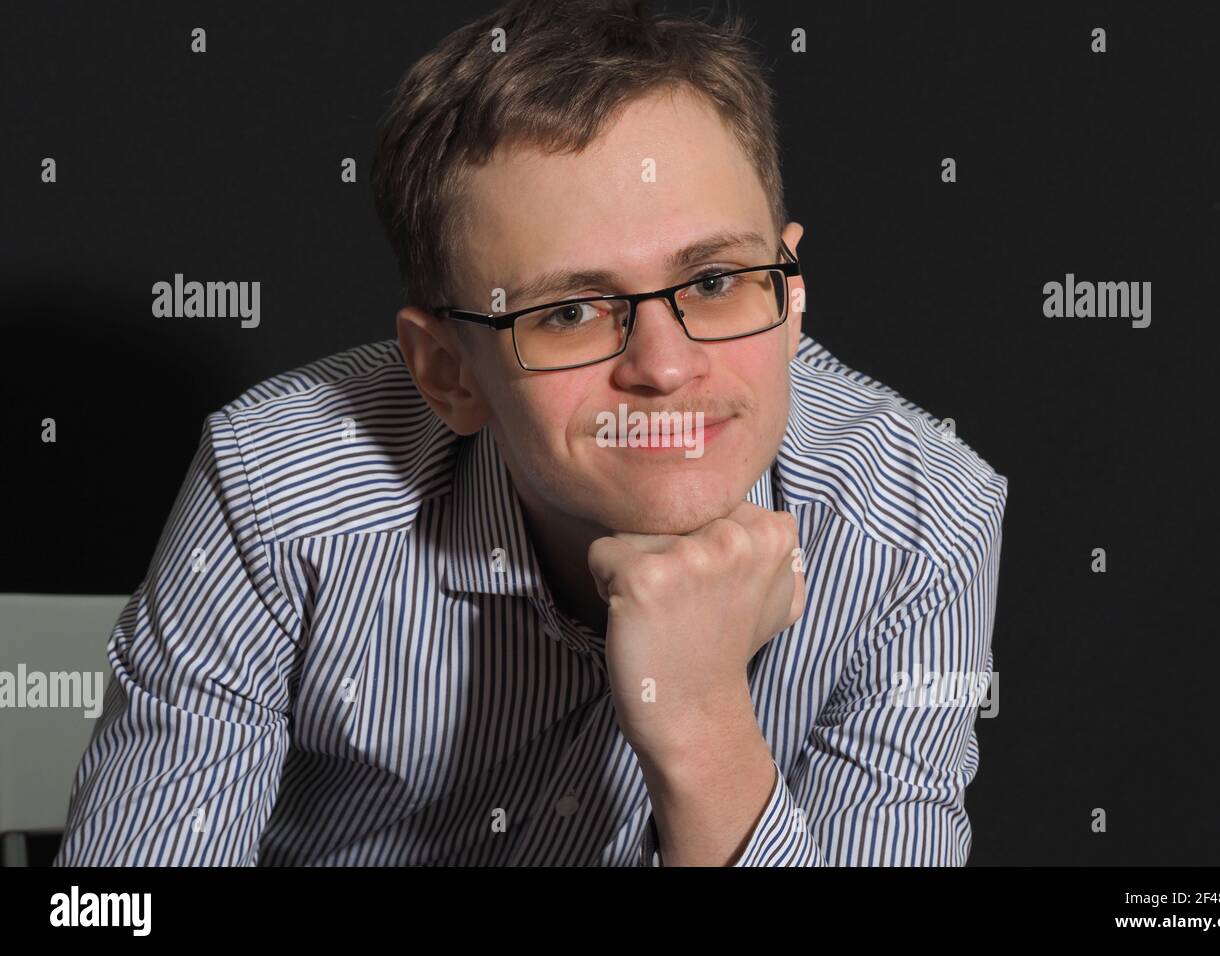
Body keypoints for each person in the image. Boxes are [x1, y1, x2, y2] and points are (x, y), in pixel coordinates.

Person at [54, 0, 1007, 866]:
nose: (665, 368)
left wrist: (704, 723)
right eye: (568, 314)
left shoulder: (923, 521)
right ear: (448, 373)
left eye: (715, 283)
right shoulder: (275, 487)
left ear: (790, 295)